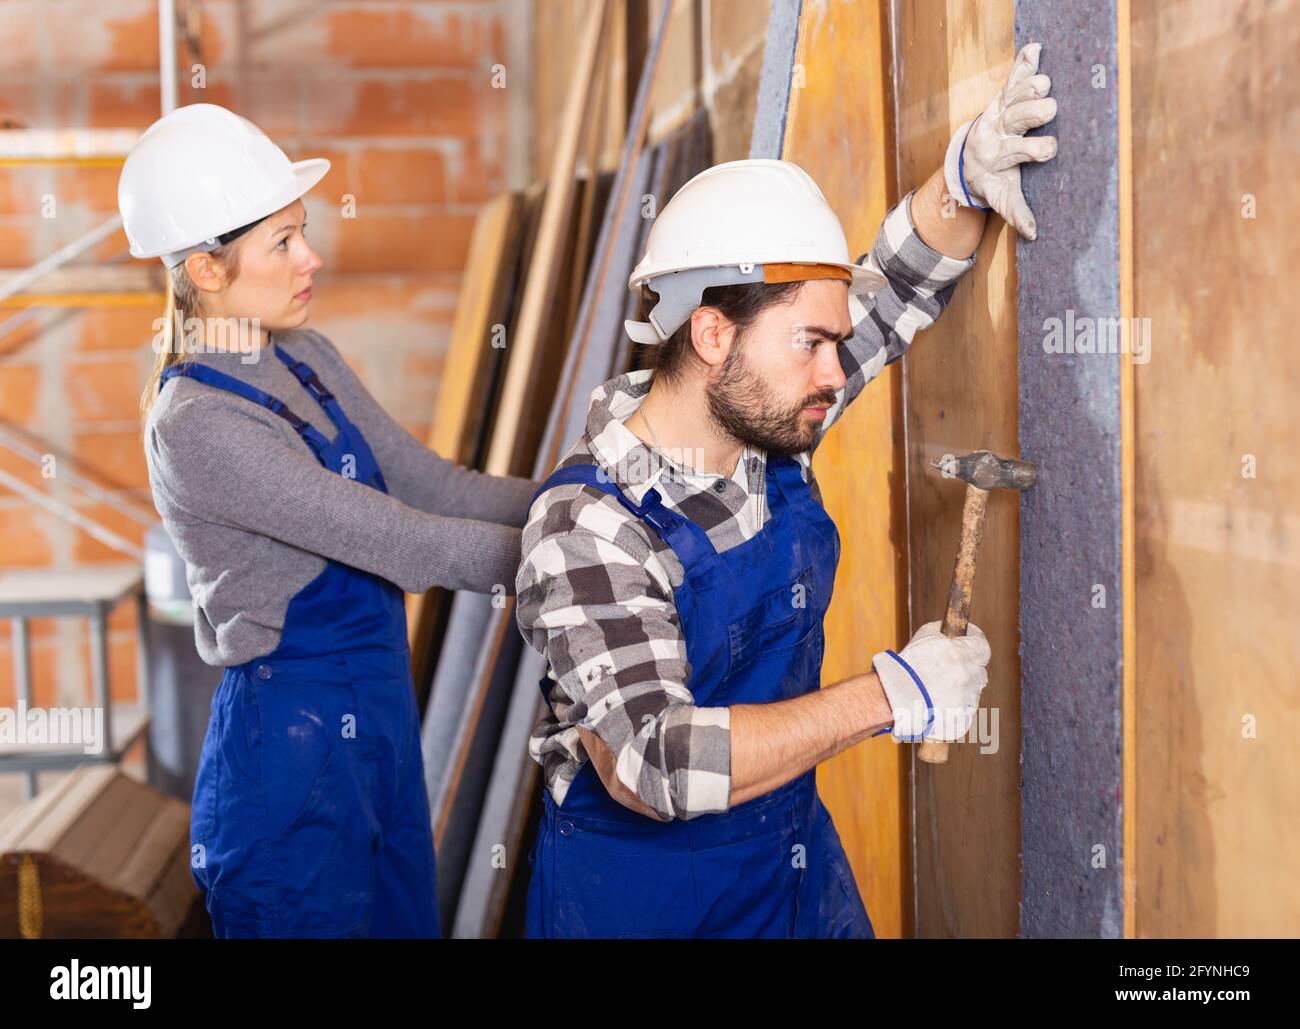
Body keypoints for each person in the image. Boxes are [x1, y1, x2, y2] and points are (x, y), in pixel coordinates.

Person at [516, 44, 1057, 938]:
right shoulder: (587, 526)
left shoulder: (762, 426)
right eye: (811, 343)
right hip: (644, 903)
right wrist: (894, 694)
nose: (837, 372)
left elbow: (892, 296)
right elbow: (657, 762)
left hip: (788, 869)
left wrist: (963, 177)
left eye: (833, 343)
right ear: (712, 334)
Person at [119, 103, 538, 938]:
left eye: (302, 231)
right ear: (206, 269)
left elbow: (435, 487)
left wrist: (583, 497)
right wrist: (570, 556)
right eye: (282, 242)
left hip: (377, 729)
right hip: (291, 760)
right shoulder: (195, 422)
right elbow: (397, 538)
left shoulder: (304, 355)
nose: (311, 258)